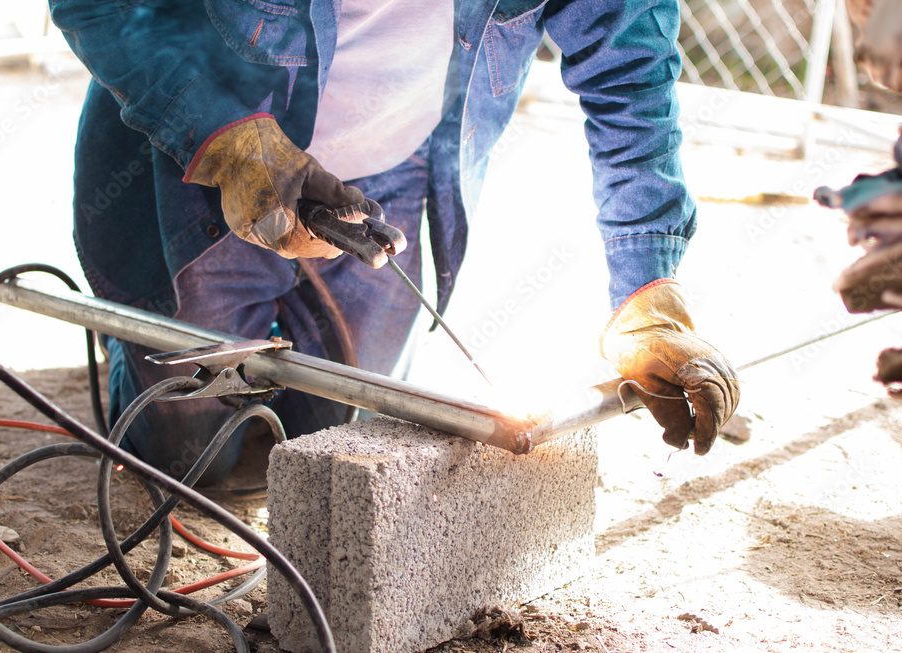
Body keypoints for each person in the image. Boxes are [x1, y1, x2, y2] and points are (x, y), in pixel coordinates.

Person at [48, 0, 740, 486]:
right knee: (188, 460)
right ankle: (134, 346)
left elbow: (630, 74)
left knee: (333, 441)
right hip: (210, 146)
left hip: (395, 163)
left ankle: (222, 345)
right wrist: (223, 141)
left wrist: (646, 292)